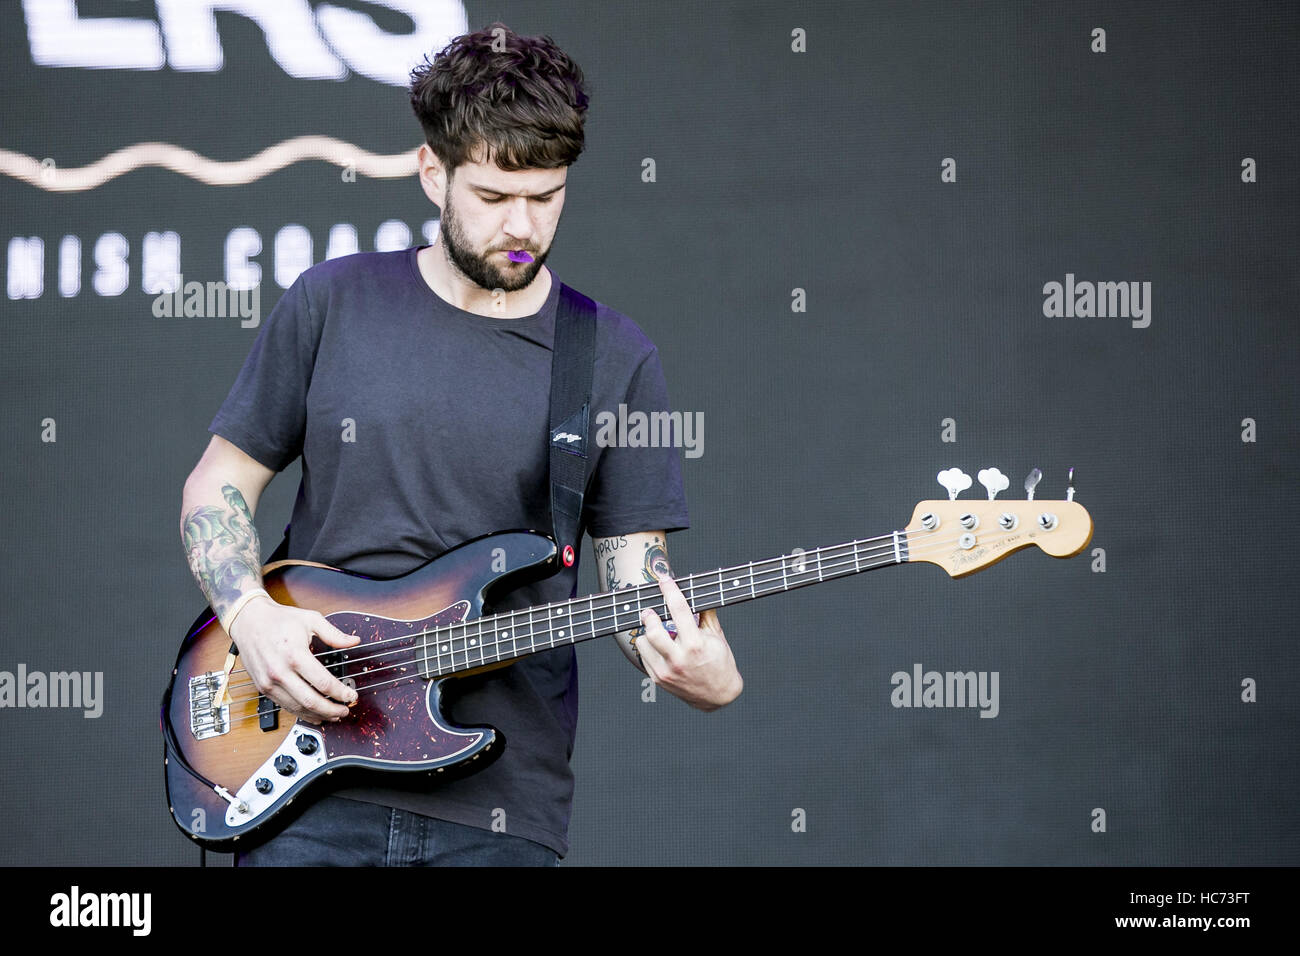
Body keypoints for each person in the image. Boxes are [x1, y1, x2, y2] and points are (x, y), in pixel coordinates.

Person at [178, 22, 743, 867]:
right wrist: (250, 614)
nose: (522, 224)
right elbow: (218, 483)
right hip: (305, 783)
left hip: (502, 811)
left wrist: (697, 663)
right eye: (492, 196)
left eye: (546, 196)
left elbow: (634, 573)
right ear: (431, 172)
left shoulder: (611, 356)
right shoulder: (333, 301)